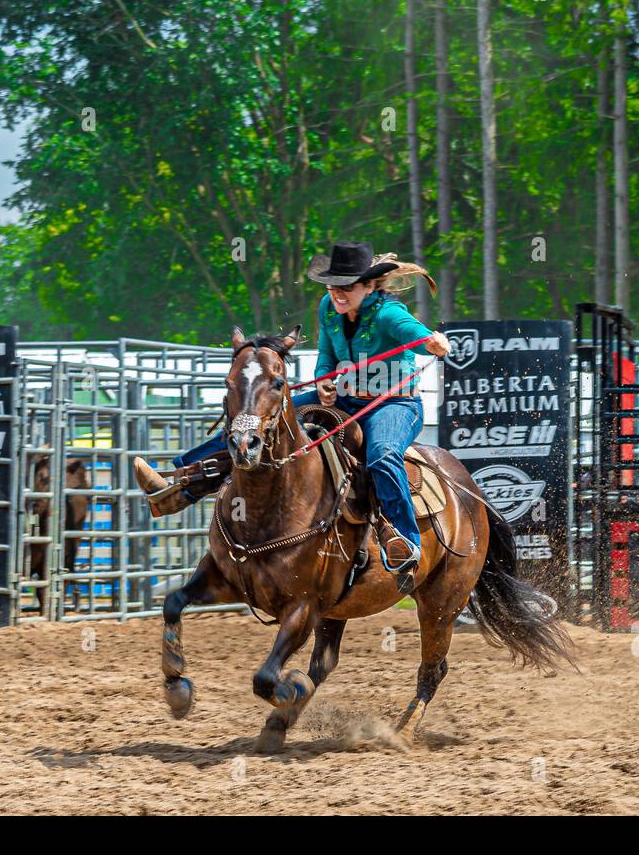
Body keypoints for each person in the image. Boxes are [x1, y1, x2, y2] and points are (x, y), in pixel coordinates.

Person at [133, 241, 450, 592]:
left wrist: (431, 341)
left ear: (369, 285)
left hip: (392, 406)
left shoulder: (388, 314)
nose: (337, 293)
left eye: (346, 286)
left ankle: (406, 540)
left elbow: (413, 332)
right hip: (343, 400)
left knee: (383, 455)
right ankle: (181, 482)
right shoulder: (328, 308)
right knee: (257, 418)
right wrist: (327, 382)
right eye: (333, 285)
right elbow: (327, 358)